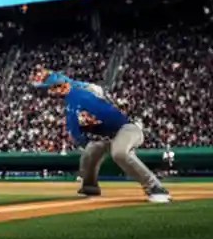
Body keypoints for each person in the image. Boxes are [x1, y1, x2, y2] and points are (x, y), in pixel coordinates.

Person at [41, 76, 171, 203]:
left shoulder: (82, 95)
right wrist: (85, 139)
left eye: (57, 87)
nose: (55, 91)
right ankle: (90, 187)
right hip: (107, 137)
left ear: (65, 86)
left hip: (126, 129)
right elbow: (75, 131)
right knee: (90, 151)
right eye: (53, 88)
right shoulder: (71, 105)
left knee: (119, 153)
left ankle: (155, 187)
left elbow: (100, 100)